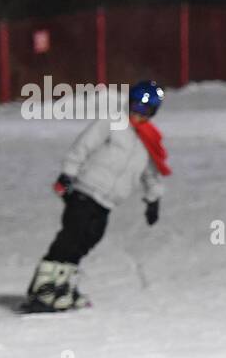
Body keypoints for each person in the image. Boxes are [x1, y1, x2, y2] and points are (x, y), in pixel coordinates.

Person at [21, 81, 170, 312]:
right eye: (136, 108)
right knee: (70, 237)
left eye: (146, 112)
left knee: (87, 240)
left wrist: (153, 199)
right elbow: (83, 146)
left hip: (107, 201)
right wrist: (68, 174)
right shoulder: (112, 122)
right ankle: (43, 287)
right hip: (85, 190)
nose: (138, 116)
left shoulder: (147, 140)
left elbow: (150, 173)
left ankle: (63, 284)